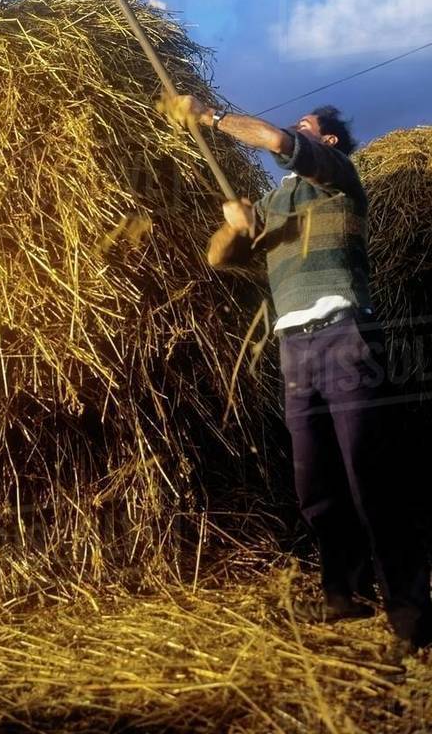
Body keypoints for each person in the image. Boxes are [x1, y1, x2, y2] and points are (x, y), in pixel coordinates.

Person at [168, 96, 432, 652]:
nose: (296, 128)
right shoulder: (274, 203)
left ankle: (410, 614)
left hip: (343, 335)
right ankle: (345, 596)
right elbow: (218, 258)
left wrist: (209, 117)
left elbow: (276, 142)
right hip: (296, 347)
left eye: (307, 126)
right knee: (316, 485)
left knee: (370, 473)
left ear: (327, 141)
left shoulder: (337, 178)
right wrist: (237, 227)